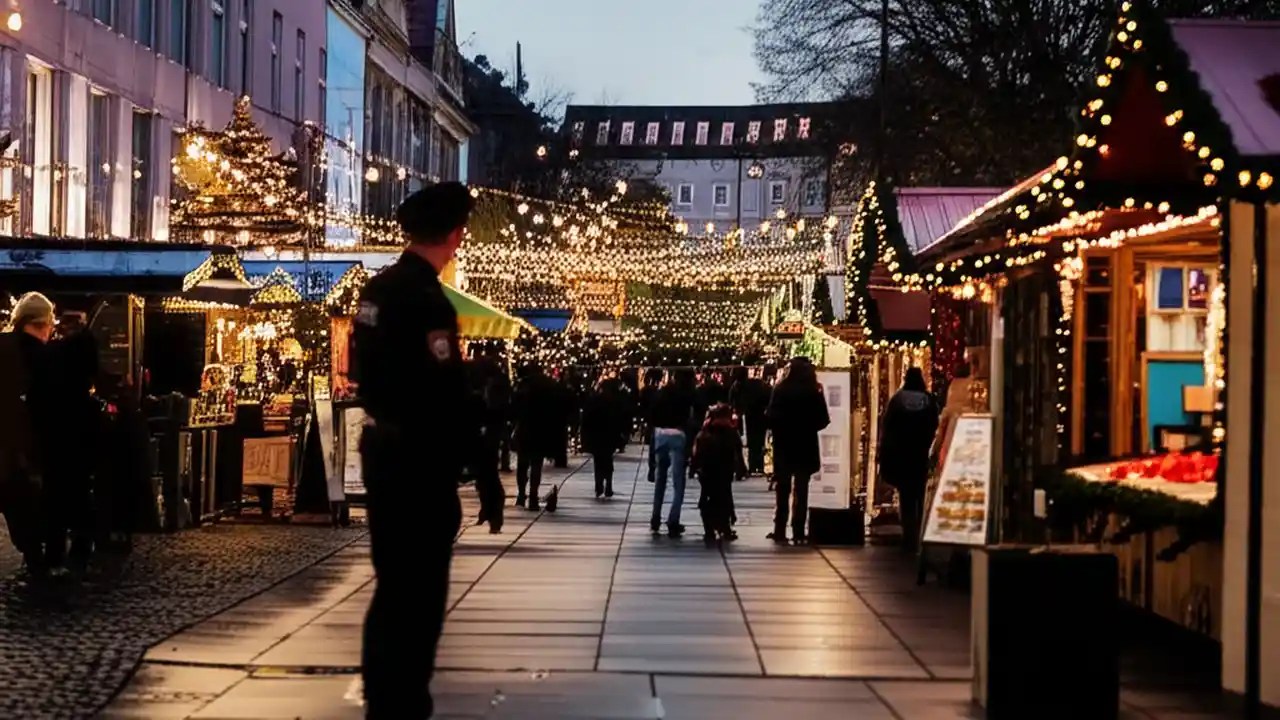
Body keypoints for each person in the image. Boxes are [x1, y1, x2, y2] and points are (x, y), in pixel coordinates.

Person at [350, 182, 474, 719]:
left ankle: (383, 694)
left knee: (390, 585)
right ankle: (405, 698)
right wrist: (480, 471)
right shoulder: (427, 301)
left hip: (381, 452)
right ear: (454, 236)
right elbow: (445, 391)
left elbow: (363, 372)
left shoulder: (375, 291)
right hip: (420, 461)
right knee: (421, 594)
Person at [0, 293, 56, 578]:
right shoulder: (43, 358)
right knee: (26, 514)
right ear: (45, 323)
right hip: (22, 451)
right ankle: (38, 568)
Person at [46, 310, 102, 573]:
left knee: (57, 500)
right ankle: (80, 550)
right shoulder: (85, 399)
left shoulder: (55, 359)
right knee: (80, 498)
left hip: (56, 445)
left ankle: (56, 555)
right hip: (79, 448)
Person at [765, 357, 830, 544]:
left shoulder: (781, 389)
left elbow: (771, 417)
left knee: (782, 488)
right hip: (805, 444)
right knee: (802, 489)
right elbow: (823, 419)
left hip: (784, 444)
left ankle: (779, 529)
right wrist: (807, 426)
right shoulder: (814, 391)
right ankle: (799, 530)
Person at [879, 367, 940, 552]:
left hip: (902, 454)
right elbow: (934, 424)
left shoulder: (898, 400)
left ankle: (908, 533)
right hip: (920, 453)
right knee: (920, 495)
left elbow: (887, 426)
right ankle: (920, 532)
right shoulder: (928, 400)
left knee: (906, 495)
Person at [650, 369, 696, 538]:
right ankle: (673, 519)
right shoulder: (687, 395)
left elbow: (652, 415)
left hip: (661, 434)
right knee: (678, 482)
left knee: (660, 478)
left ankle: (655, 516)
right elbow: (691, 419)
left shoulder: (662, 393)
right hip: (678, 435)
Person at [690, 403, 745, 544]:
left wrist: (693, 468)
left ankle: (709, 529)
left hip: (707, 471)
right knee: (725, 497)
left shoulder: (706, 431)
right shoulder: (731, 432)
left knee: (706, 497)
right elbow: (738, 451)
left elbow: (697, 452)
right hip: (725, 470)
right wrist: (741, 469)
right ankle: (724, 527)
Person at [467, 354, 506, 533]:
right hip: (486, 438)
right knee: (487, 478)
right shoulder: (494, 389)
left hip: (480, 438)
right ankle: (491, 512)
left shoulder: (486, 392)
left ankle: (491, 513)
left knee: (485, 478)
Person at [512, 362, 558, 510]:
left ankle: (521, 494)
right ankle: (533, 495)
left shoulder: (523, 386)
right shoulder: (549, 385)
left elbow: (514, 406)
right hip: (541, 429)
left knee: (522, 464)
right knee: (536, 464)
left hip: (525, 428)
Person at [581, 375, 626, 498]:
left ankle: (599, 485)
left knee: (598, 460)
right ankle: (608, 484)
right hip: (610, 434)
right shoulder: (616, 402)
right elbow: (621, 419)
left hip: (596, 434)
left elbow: (586, 418)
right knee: (607, 459)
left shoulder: (594, 400)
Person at [729, 366, 772, 476]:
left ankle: (752, 466)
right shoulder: (758, 384)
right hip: (759, 415)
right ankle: (758, 466)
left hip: (747, 416)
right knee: (758, 441)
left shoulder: (737, 387)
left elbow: (732, 402)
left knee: (750, 442)